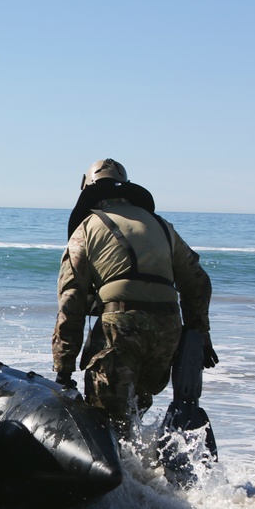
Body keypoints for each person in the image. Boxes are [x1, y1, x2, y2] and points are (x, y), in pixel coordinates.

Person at [51, 159, 217, 437]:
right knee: (135, 408)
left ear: (88, 190)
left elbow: (71, 300)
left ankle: (120, 475)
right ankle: (147, 472)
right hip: (166, 331)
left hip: (120, 328)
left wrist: (63, 370)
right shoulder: (163, 227)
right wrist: (200, 335)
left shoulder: (88, 228)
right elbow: (198, 282)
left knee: (108, 418)